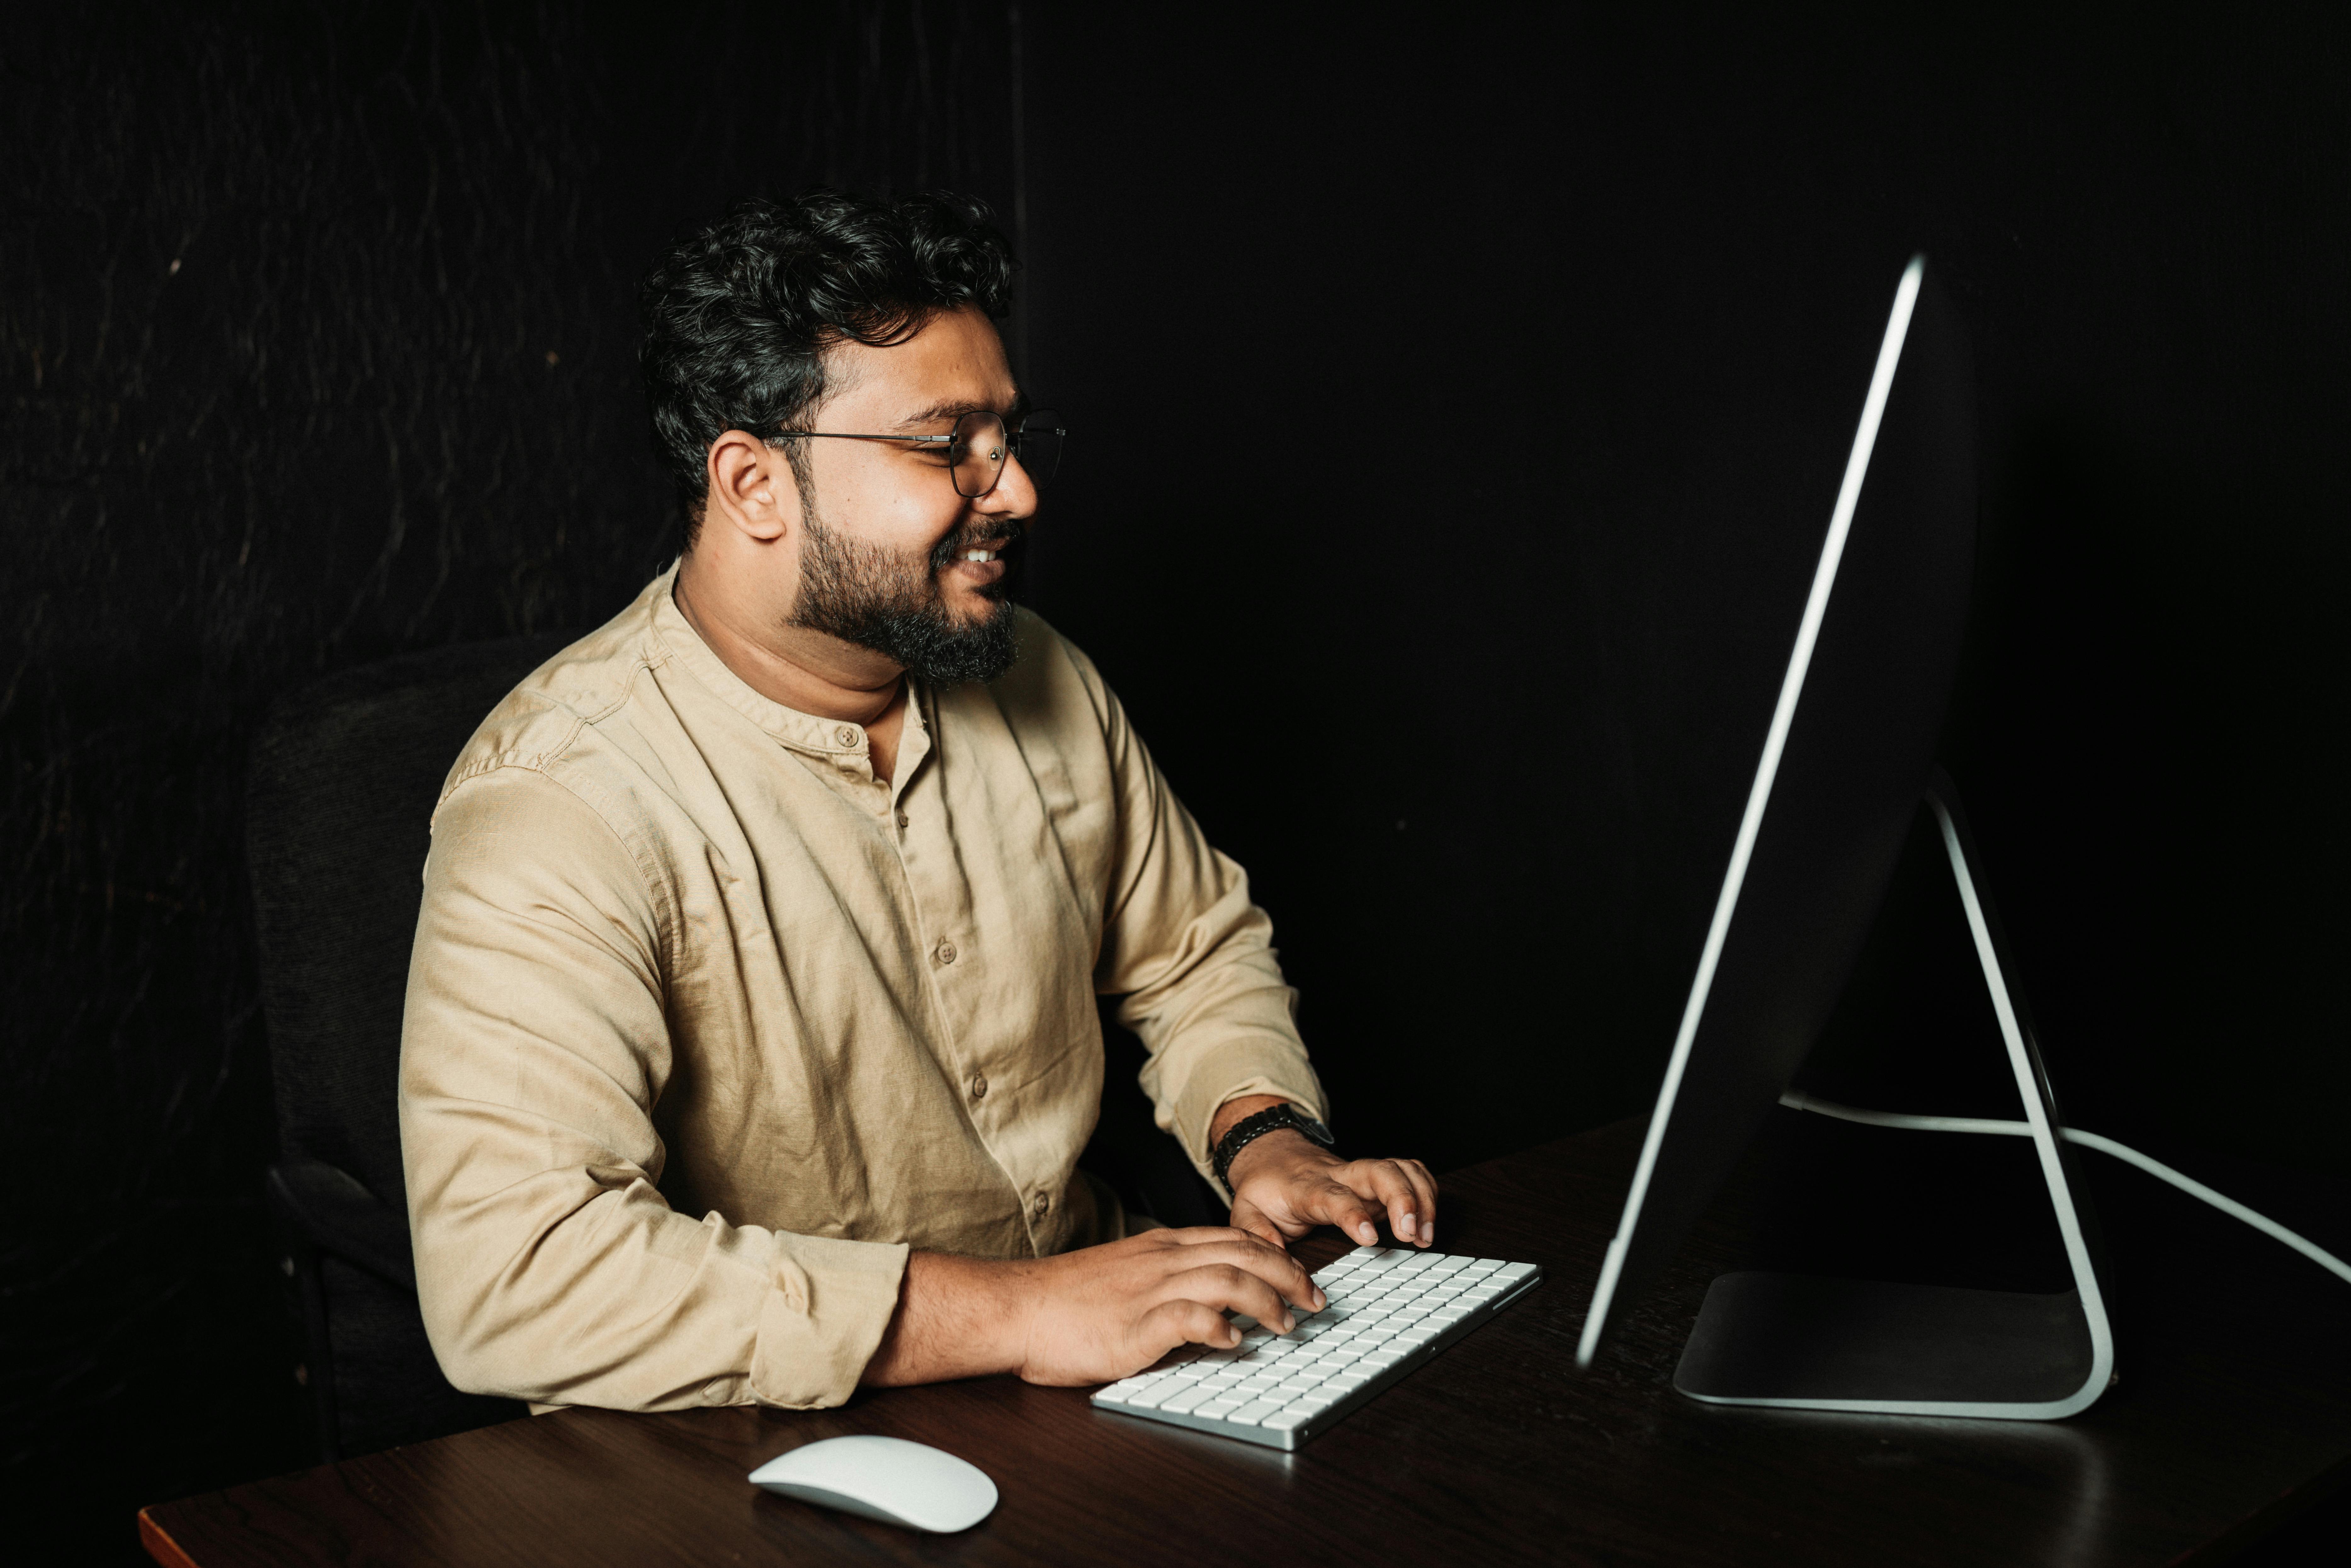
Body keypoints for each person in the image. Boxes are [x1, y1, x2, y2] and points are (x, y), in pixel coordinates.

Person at [398, 190, 1439, 1413]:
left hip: (1110, 1358)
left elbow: (1191, 949)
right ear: (753, 484)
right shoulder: (557, 805)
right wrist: (1022, 1310)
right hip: (768, 1446)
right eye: (948, 445)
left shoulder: (1039, 670)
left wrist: (1264, 1135)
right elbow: (519, 1280)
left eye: (1009, 438)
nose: (1017, 495)